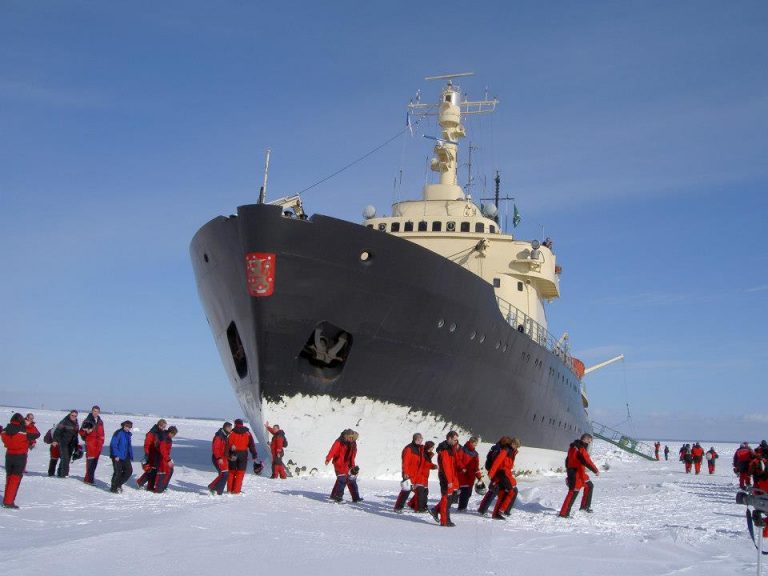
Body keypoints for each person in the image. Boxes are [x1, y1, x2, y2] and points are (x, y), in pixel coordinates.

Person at [559, 433, 600, 518]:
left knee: (589, 486)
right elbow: (587, 461)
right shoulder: (580, 448)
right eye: (589, 441)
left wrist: (568, 470)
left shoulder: (573, 447)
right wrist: (595, 470)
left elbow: (567, 460)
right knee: (573, 492)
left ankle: (585, 506)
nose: (589, 443)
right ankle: (564, 513)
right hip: (576, 474)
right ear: (585, 439)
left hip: (580, 473)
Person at [2, 413, 37, 508]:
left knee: (9, 478)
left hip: (9, 456)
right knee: (15, 480)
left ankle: (7, 500)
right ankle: (8, 502)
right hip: (20, 457)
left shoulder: (5, 431)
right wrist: (29, 425)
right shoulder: (23, 432)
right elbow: (36, 434)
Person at [486, 437, 521, 520]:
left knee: (503, 493)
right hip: (502, 474)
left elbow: (508, 466)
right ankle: (501, 511)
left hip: (505, 474)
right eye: (516, 446)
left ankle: (497, 514)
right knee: (511, 491)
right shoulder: (506, 450)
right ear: (513, 444)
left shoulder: (511, 452)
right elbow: (497, 461)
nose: (516, 448)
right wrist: (491, 473)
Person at [430, 431, 459, 527]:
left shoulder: (450, 448)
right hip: (446, 478)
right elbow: (446, 467)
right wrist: (449, 481)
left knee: (449, 499)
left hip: (451, 478)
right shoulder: (444, 450)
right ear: (449, 438)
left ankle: (436, 510)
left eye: (456, 440)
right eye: (454, 440)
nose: (456, 442)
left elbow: (453, 465)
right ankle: (445, 521)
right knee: (446, 499)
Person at [325, 429, 362, 503]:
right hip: (339, 463)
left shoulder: (352, 443)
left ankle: (356, 498)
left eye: (353, 438)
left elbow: (352, 456)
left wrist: (353, 466)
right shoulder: (339, 442)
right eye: (351, 437)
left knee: (351, 480)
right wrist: (328, 459)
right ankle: (338, 497)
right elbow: (332, 450)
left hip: (348, 464)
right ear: (346, 436)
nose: (352, 439)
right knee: (342, 479)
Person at [226, 418, 260, 494]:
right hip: (243, 454)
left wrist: (227, 454)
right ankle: (236, 490)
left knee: (231, 472)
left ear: (235, 424)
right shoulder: (247, 433)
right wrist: (254, 455)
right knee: (240, 473)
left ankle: (229, 490)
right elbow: (251, 445)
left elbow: (227, 444)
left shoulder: (231, 433)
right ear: (242, 424)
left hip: (233, 454)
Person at [394, 433, 424, 512]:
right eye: (420, 439)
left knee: (420, 490)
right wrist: (405, 473)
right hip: (408, 474)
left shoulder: (420, 448)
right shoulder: (409, 448)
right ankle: (398, 507)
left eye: (422, 439)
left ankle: (414, 506)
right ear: (416, 439)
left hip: (417, 474)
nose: (421, 440)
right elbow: (405, 462)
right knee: (406, 491)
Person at [137, 419, 167, 490]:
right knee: (152, 470)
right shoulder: (152, 433)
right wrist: (147, 454)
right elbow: (147, 444)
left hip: (158, 454)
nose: (163, 428)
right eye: (163, 427)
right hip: (152, 454)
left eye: (164, 427)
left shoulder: (161, 433)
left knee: (154, 470)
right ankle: (144, 484)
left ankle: (146, 485)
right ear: (159, 425)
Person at [455, 436, 483, 512]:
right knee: (464, 492)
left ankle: (463, 507)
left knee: (468, 493)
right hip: (463, 475)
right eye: (474, 443)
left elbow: (476, 467)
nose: (475, 445)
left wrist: (479, 477)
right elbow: (458, 460)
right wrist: (462, 468)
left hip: (471, 476)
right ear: (470, 442)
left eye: (476, 444)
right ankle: (461, 508)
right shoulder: (463, 450)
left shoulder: (475, 454)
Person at [408, 441, 436, 512]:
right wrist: (433, 466)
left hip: (425, 476)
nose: (433, 448)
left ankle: (417, 505)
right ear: (429, 447)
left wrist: (433, 466)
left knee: (425, 492)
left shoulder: (428, 455)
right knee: (420, 492)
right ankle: (419, 509)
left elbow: (428, 464)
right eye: (432, 447)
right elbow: (424, 464)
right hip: (419, 476)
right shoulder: (422, 454)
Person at [79, 405, 105, 484]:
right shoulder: (87, 420)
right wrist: (86, 431)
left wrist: (102, 441)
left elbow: (102, 432)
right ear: (92, 411)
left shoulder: (100, 421)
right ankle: (88, 479)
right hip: (91, 443)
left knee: (94, 463)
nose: (95, 413)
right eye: (94, 411)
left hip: (98, 444)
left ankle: (91, 479)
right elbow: (81, 432)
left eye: (97, 411)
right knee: (90, 462)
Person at [52, 410, 80, 478]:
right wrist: (55, 440)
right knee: (65, 458)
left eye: (75, 416)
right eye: (72, 415)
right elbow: (57, 431)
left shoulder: (76, 423)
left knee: (67, 458)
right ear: (70, 415)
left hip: (71, 444)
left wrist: (76, 445)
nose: (73, 417)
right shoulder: (64, 421)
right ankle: (64, 474)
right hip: (63, 442)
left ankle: (60, 472)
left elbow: (76, 435)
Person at [109, 421, 134, 493]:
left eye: (129, 427)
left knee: (129, 471)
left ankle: (119, 484)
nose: (128, 428)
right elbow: (113, 444)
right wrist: (116, 455)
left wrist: (130, 455)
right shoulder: (118, 433)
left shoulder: (128, 434)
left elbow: (128, 446)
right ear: (123, 426)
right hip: (117, 456)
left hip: (125, 456)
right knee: (118, 472)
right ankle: (113, 488)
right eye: (126, 426)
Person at [208, 421, 232, 495]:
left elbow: (226, 448)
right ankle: (213, 487)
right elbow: (215, 448)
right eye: (229, 428)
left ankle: (217, 490)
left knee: (225, 474)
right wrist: (219, 458)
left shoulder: (225, 436)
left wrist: (229, 456)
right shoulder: (219, 436)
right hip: (218, 458)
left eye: (231, 428)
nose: (231, 429)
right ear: (226, 428)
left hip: (223, 458)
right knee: (224, 474)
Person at [153, 426, 177, 493]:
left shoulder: (168, 438)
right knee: (162, 472)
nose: (173, 436)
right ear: (170, 433)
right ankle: (158, 488)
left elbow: (166, 451)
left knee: (170, 470)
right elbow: (163, 450)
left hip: (165, 458)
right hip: (160, 458)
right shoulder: (164, 438)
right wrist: (168, 460)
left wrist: (169, 459)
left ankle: (163, 487)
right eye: (173, 434)